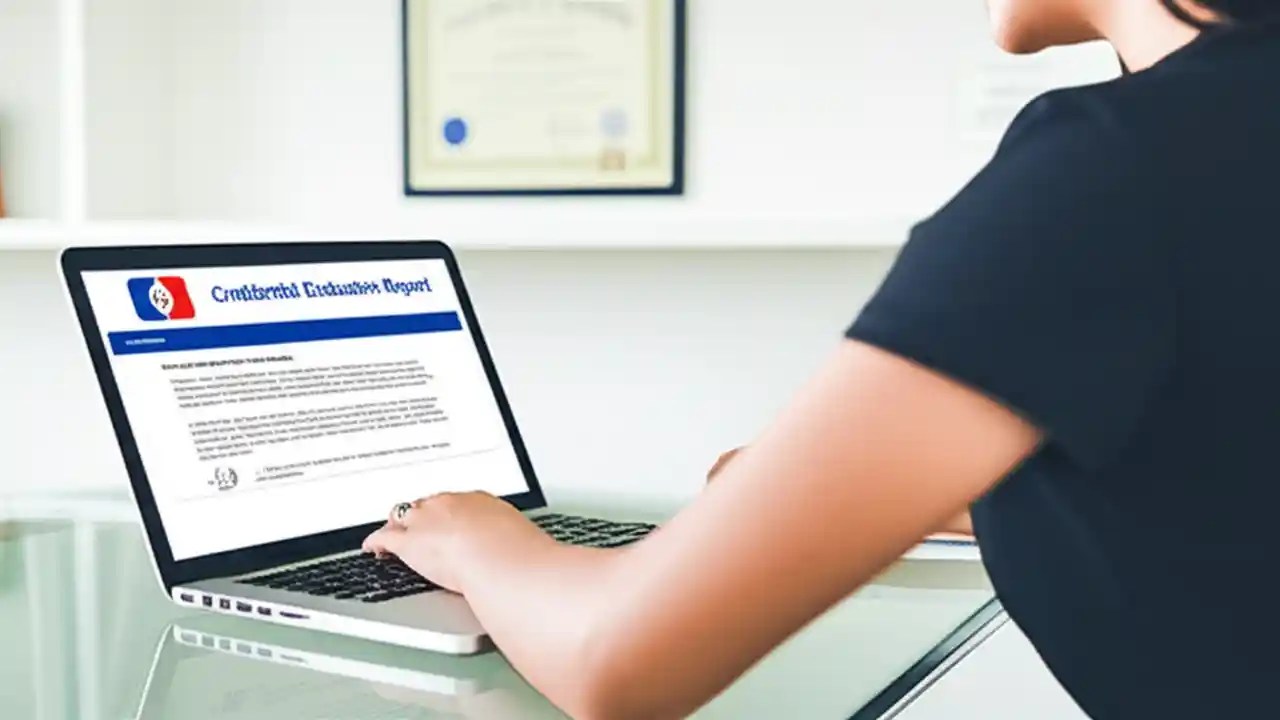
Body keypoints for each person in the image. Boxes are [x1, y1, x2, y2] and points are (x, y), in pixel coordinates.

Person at [363, 2, 1280, 717]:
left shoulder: (1110, 173)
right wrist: (867, 493)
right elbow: (1225, 467)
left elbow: (613, 664)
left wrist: (472, 538)